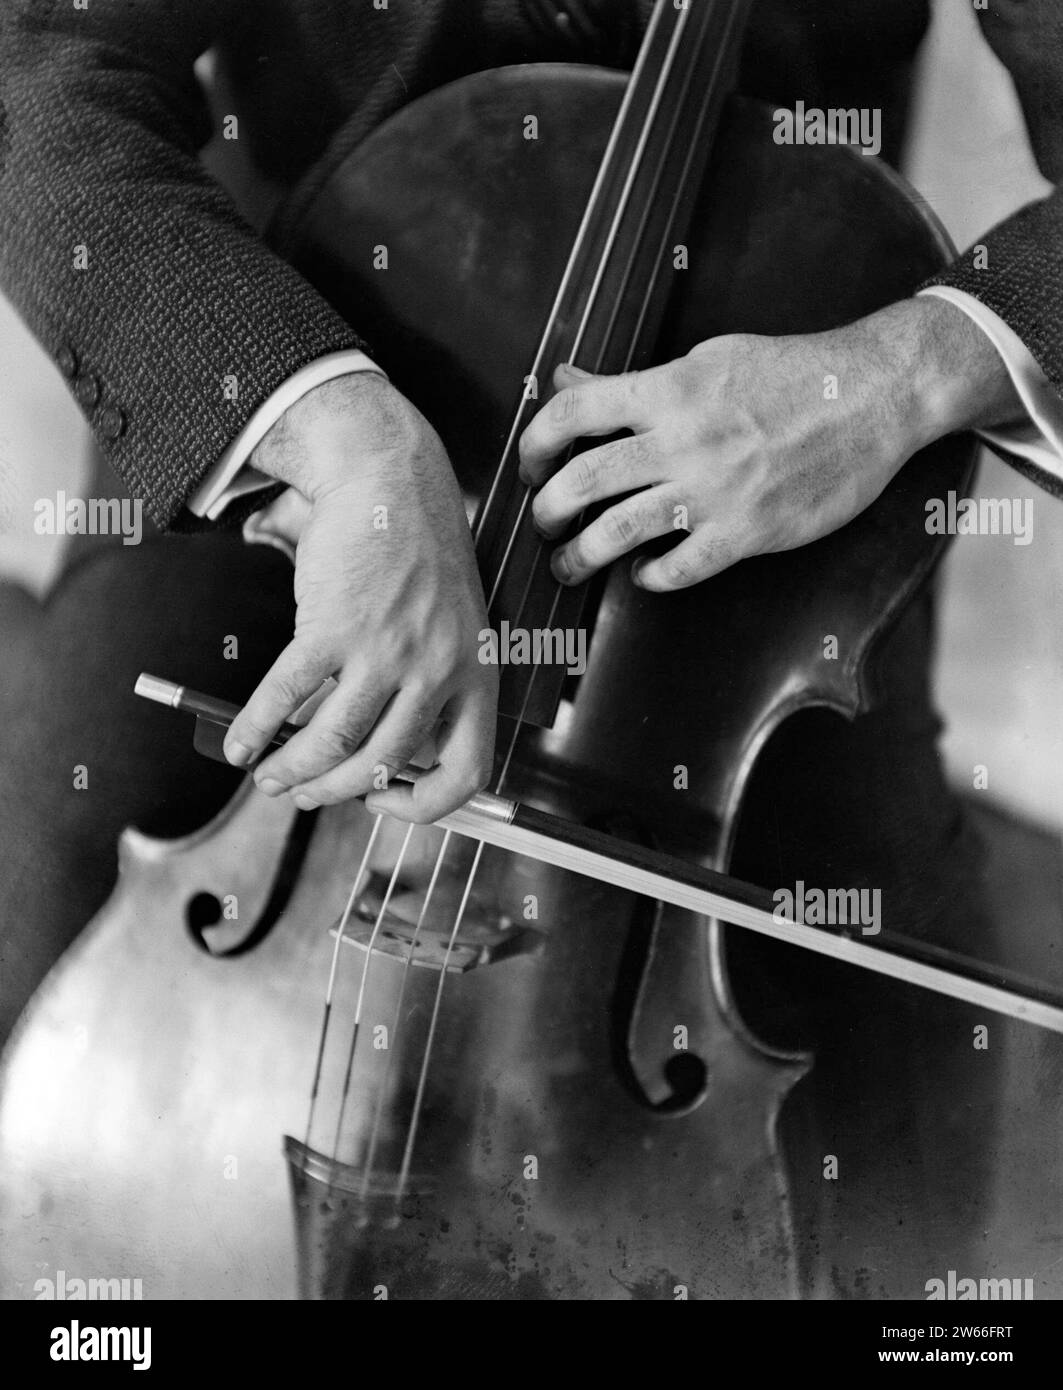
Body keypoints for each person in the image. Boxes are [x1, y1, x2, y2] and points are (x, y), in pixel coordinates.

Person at [0, 0, 1061, 1296]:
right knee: (56, 810)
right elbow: (41, 62)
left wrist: (901, 374)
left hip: (785, 392)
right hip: (297, 351)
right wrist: (327, 430)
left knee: (902, 1158)